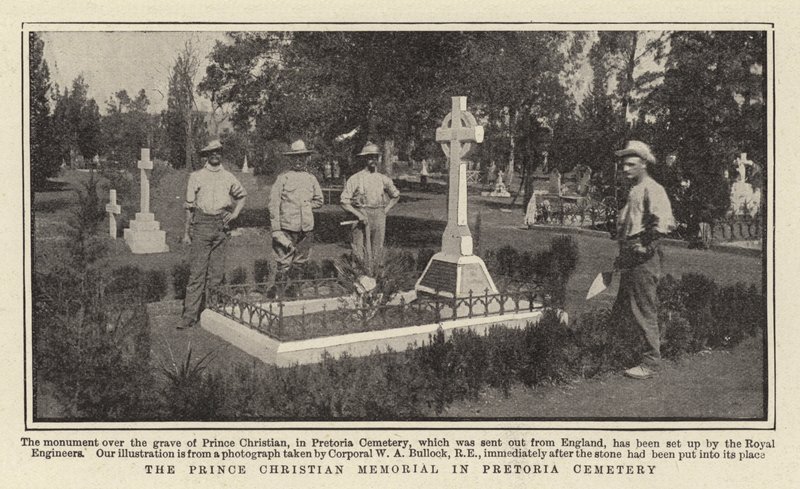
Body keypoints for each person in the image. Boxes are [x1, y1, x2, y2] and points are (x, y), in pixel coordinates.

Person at [612, 140, 676, 379]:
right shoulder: (635, 189)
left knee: (643, 308)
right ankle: (620, 352)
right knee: (624, 307)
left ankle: (651, 362)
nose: (625, 168)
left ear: (644, 164)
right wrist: (623, 255)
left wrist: (645, 246)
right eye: (623, 164)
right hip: (630, 255)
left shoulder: (653, 189)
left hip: (643, 258)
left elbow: (662, 224)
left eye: (631, 164)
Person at [180, 139, 247, 330]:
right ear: (206, 155)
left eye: (218, 151)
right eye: (212, 152)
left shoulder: (228, 177)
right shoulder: (196, 176)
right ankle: (189, 316)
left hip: (221, 227)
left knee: (216, 274)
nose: (215, 154)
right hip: (201, 225)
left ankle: (212, 313)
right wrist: (187, 233)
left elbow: (242, 195)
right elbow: (189, 207)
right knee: (197, 273)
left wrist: (234, 215)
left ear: (221, 154)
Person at [340, 142, 400, 270]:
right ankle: (358, 276)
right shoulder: (355, 178)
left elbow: (396, 195)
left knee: (377, 250)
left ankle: (376, 276)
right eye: (369, 157)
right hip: (361, 217)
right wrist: (358, 214)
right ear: (364, 159)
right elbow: (344, 201)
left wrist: (385, 210)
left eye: (375, 157)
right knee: (359, 250)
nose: (373, 160)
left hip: (379, 216)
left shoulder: (382, 178)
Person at [269, 139, 324, 276]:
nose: (298, 160)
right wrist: (276, 229)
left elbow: (319, 200)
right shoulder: (283, 178)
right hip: (287, 228)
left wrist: (306, 206)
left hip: (306, 229)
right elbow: (273, 204)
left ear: (306, 158)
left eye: (301, 157)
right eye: (295, 157)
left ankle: (296, 287)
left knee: (301, 263)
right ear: (290, 159)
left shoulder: (311, 178)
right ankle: (281, 288)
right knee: (284, 263)